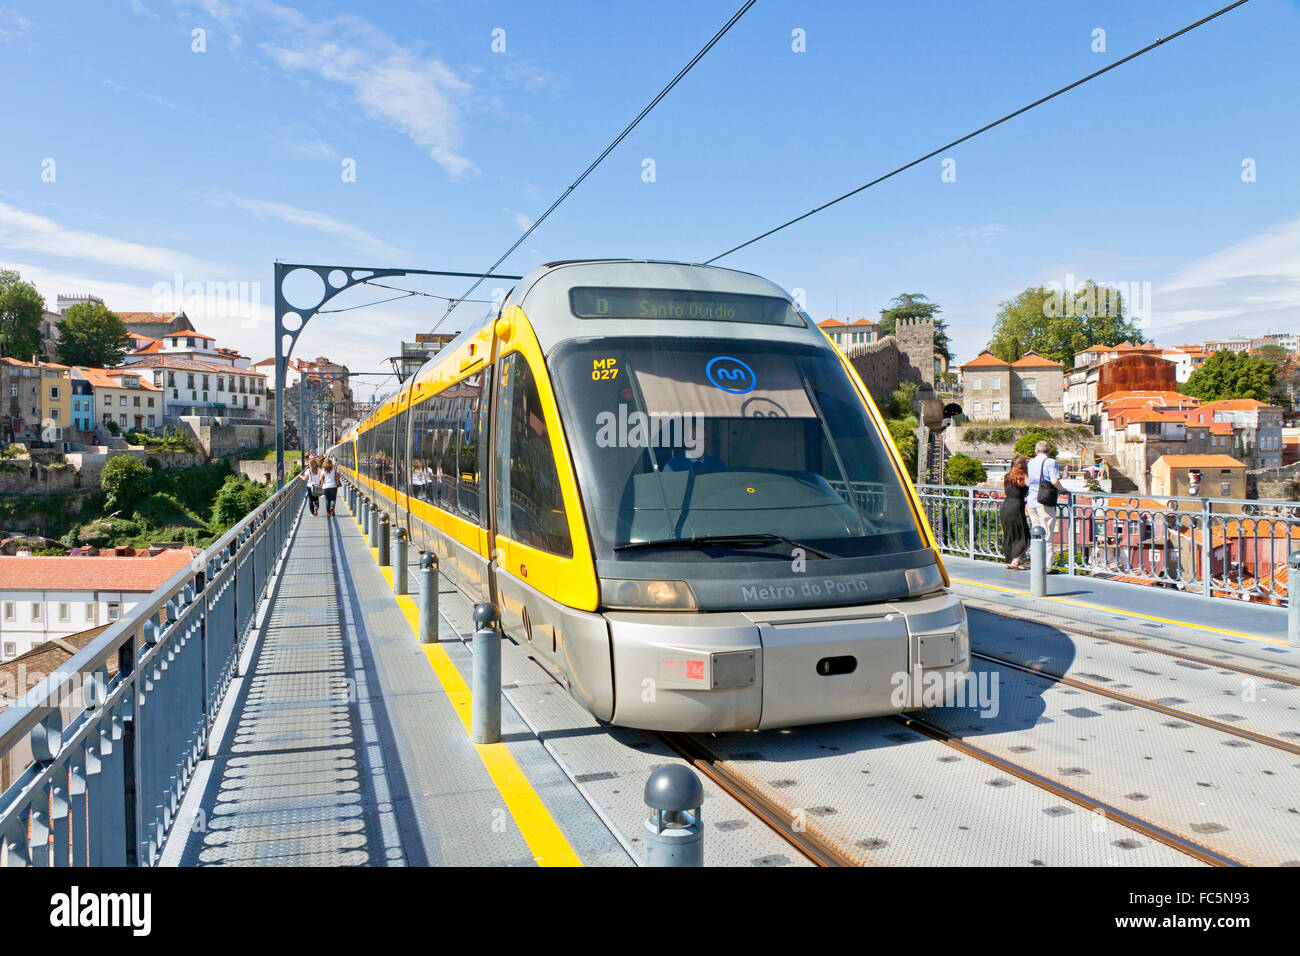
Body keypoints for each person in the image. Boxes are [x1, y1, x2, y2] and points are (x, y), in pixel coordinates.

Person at [1026, 440, 1068, 568]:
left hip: (1031, 500)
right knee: (1047, 534)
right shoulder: (1050, 462)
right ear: (1049, 451)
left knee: (1036, 532)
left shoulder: (1031, 462)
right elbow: (1054, 480)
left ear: (1036, 451)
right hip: (1044, 501)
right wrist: (1062, 489)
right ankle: (1048, 564)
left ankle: (1036, 562)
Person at [1000, 454, 1031, 569]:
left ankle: (1009, 561)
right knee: (1024, 535)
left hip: (1005, 506)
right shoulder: (1023, 477)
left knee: (1009, 534)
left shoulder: (1007, 476)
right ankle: (1015, 562)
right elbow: (1032, 486)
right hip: (1016, 507)